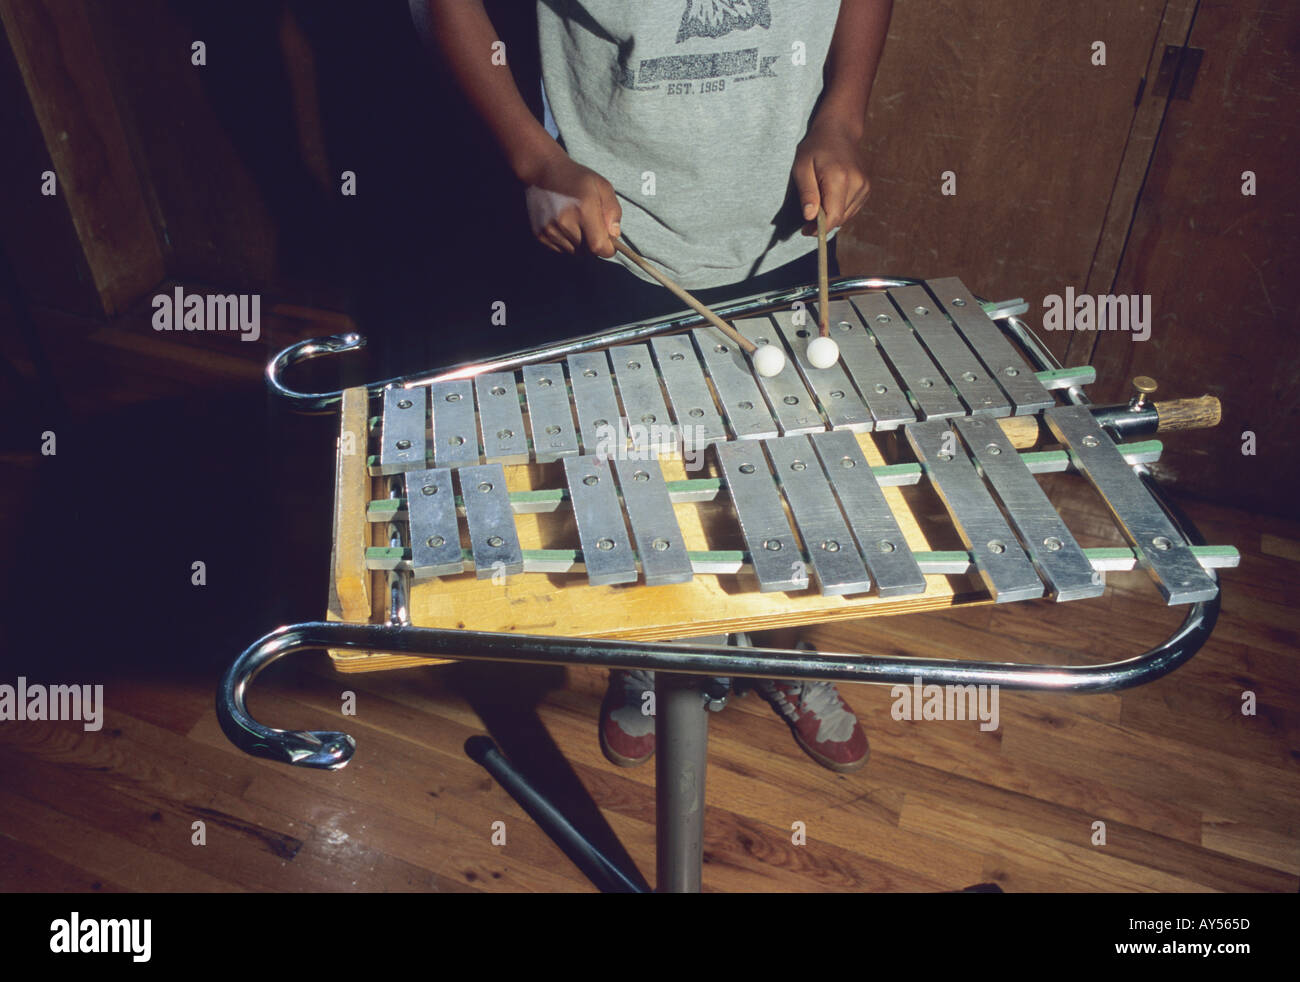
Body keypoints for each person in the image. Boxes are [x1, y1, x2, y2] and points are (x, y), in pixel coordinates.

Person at [410, 0, 893, 773]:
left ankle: (779, 644)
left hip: (783, 224)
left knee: (785, 470)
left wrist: (843, 116)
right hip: (621, 237)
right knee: (647, 473)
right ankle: (654, 649)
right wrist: (535, 159)